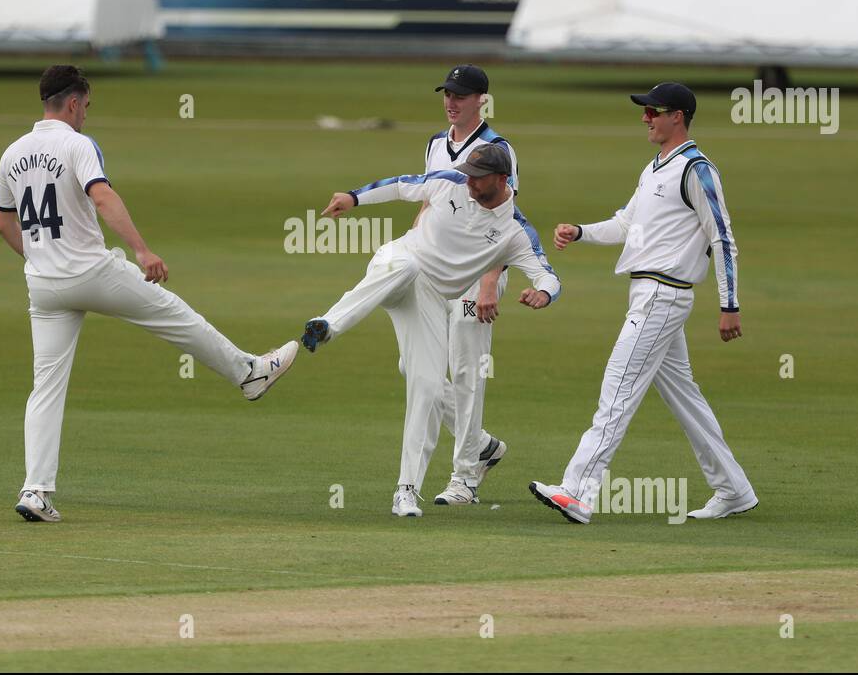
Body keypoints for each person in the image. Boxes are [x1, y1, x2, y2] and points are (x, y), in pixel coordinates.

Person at [0, 65, 297, 523]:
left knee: (45, 388)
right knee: (171, 313)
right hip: (92, 271)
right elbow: (102, 197)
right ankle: (248, 372)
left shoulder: (12, 153)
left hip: (44, 286)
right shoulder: (77, 145)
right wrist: (141, 250)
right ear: (74, 103)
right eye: (86, 107)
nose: (86, 116)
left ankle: (35, 491)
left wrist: (38, 259)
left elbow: (2, 222)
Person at [530, 82, 757, 524]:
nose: (645, 118)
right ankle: (734, 489)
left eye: (654, 111)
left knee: (617, 390)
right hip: (649, 293)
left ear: (678, 116)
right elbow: (625, 224)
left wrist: (730, 305)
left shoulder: (696, 169)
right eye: (645, 111)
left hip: (662, 296)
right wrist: (581, 231)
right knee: (685, 399)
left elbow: (723, 238)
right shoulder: (654, 168)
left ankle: (576, 491)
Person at [302, 143, 561, 518]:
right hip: (398, 262)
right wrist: (353, 198)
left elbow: (547, 275)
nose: (469, 182)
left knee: (424, 385)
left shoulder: (515, 231)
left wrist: (542, 294)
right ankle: (328, 326)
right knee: (406, 268)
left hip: (428, 298)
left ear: (503, 180)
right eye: (468, 174)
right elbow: (400, 185)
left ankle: (406, 491)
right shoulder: (450, 182)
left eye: (478, 177)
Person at [420, 64, 518, 507]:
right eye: (447, 94)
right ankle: (480, 444)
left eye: (460, 95)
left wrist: (489, 283)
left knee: (465, 370)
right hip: (437, 269)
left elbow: (505, 217)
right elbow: (427, 206)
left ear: (482, 99)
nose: (450, 102)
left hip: (478, 271)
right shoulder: (436, 145)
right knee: (415, 366)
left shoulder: (498, 150)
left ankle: (465, 479)